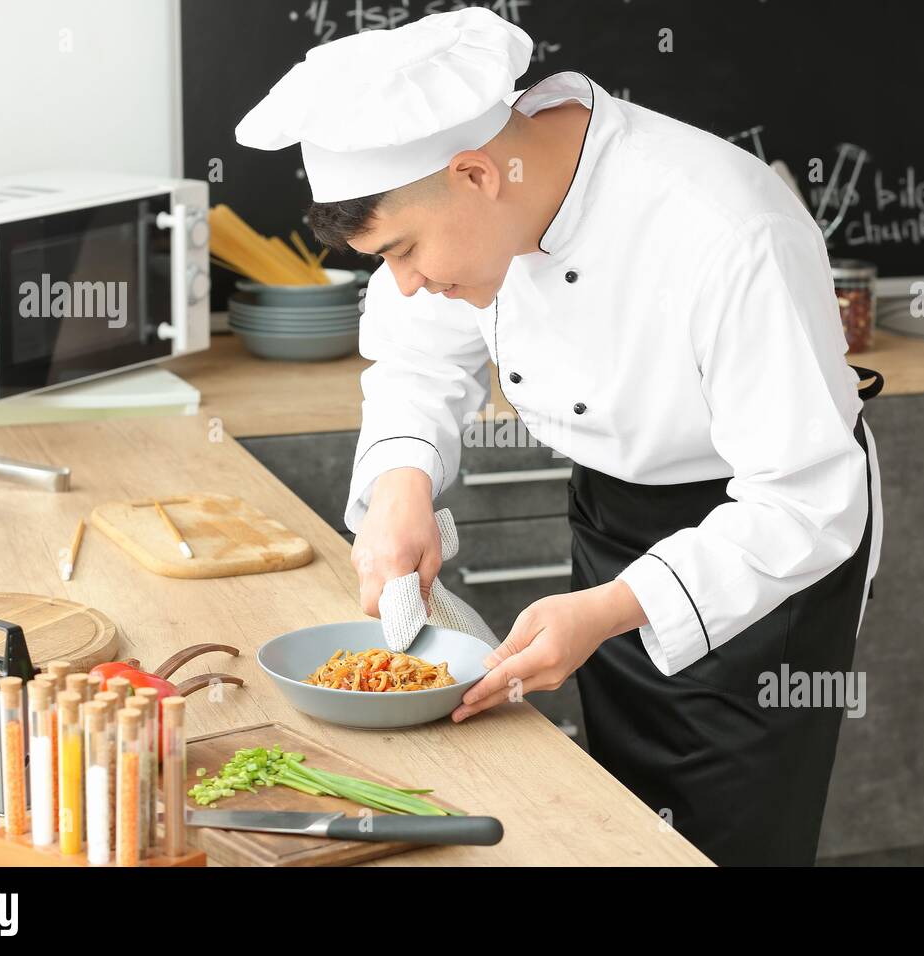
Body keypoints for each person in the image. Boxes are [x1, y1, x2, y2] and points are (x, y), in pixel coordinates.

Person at [236, 7, 884, 866]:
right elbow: (415, 359)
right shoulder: (463, 205)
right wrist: (400, 486)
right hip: (612, 519)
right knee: (626, 820)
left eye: (403, 251)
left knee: (726, 840)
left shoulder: (728, 228)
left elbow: (807, 499)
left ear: (476, 175)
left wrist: (609, 609)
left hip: (762, 550)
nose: (406, 283)